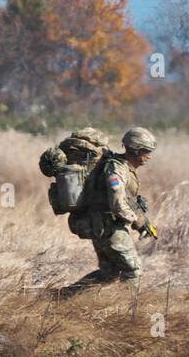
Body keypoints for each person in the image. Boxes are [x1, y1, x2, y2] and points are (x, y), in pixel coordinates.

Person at [60, 127, 157, 297]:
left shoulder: (123, 167)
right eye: (146, 151)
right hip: (108, 227)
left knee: (109, 272)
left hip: (103, 225)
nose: (149, 155)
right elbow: (117, 203)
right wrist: (135, 220)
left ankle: (64, 297)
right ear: (135, 149)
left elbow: (125, 201)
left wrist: (143, 223)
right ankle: (132, 313)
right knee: (133, 271)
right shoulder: (116, 168)